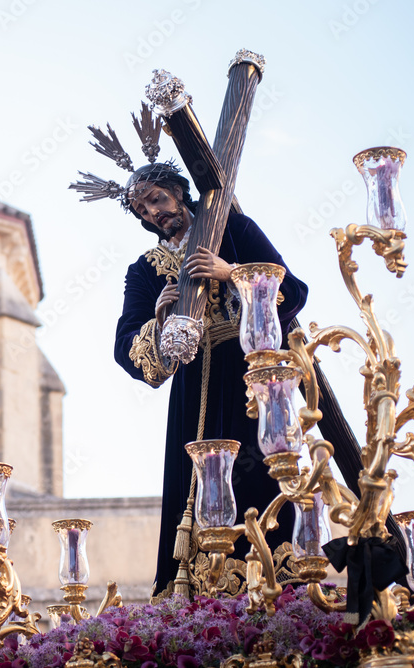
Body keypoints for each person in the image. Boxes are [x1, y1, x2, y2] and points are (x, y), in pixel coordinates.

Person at [112, 162, 308, 596]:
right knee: (194, 493)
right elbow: (125, 345)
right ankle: (200, 606)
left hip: (251, 380)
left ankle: (272, 586)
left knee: (260, 477)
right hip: (192, 397)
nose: (152, 212)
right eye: (142, 208)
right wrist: (161, 321)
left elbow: (292, 291)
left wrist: (230, 272)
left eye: (157, 199)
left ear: (180, 192)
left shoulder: (234, 228)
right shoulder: (144, 270)